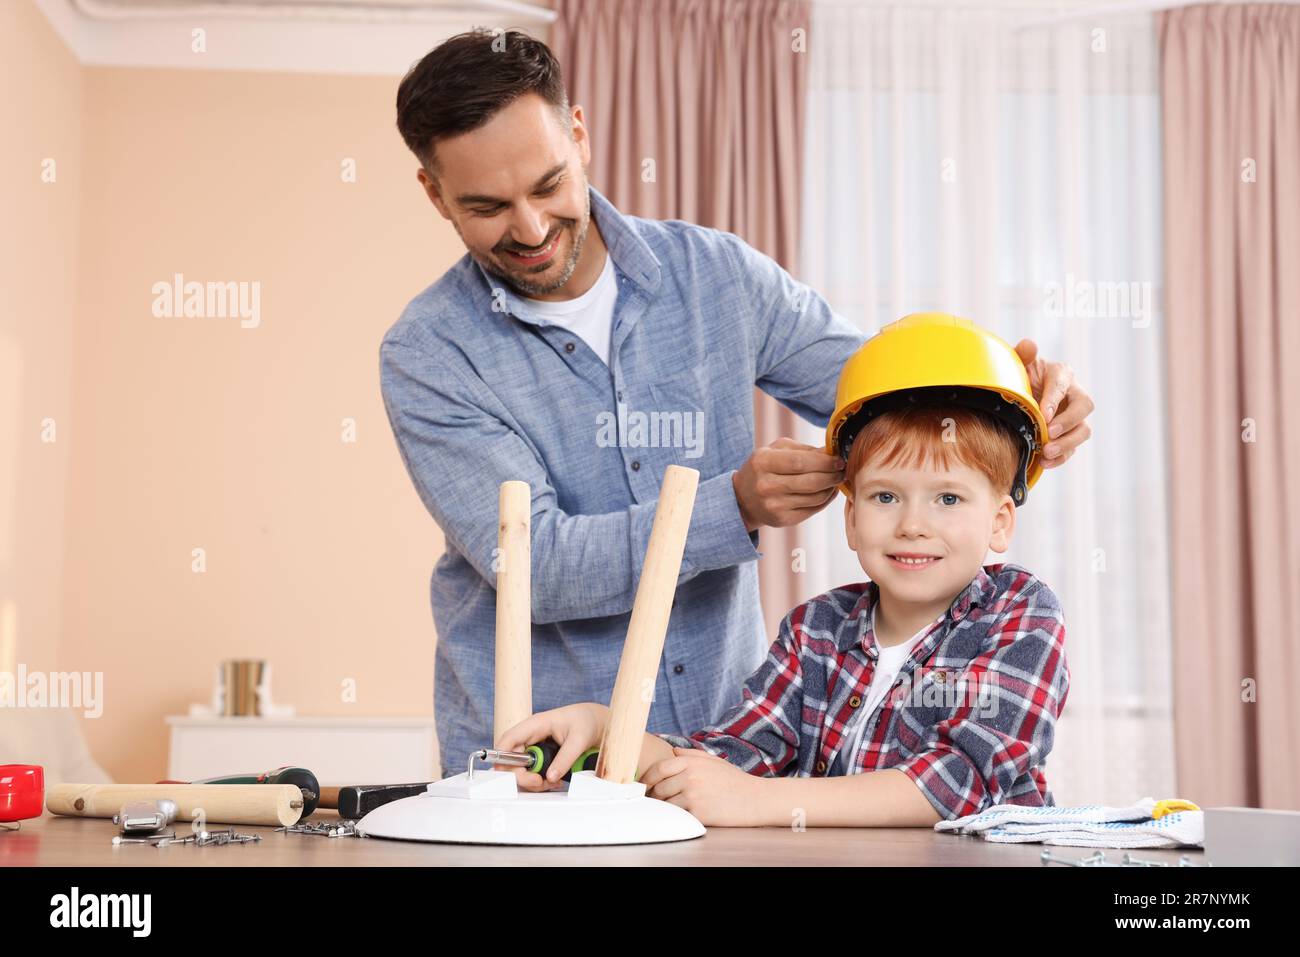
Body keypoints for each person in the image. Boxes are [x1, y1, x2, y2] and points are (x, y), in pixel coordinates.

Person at [379, 30, 1093, 778]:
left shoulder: (716, 275)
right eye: (488, 206)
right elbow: (540, 565)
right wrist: (733, 505)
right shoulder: (428, 355)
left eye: (548, 184)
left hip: (728, 756)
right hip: (532, 764)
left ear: (579, 134)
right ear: (434, 194)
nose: (529, 228)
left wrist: (1013, 399)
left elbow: (887, 397)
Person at [497, 315, 1070, 827]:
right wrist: (605, 728)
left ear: (999, 523)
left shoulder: (1020, 613)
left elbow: (962, 784)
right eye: (885, 497)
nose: (912, 525)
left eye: (947, 499)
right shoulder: (816, 629)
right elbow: (729, 761)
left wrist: (762, 802)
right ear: (850, 518)